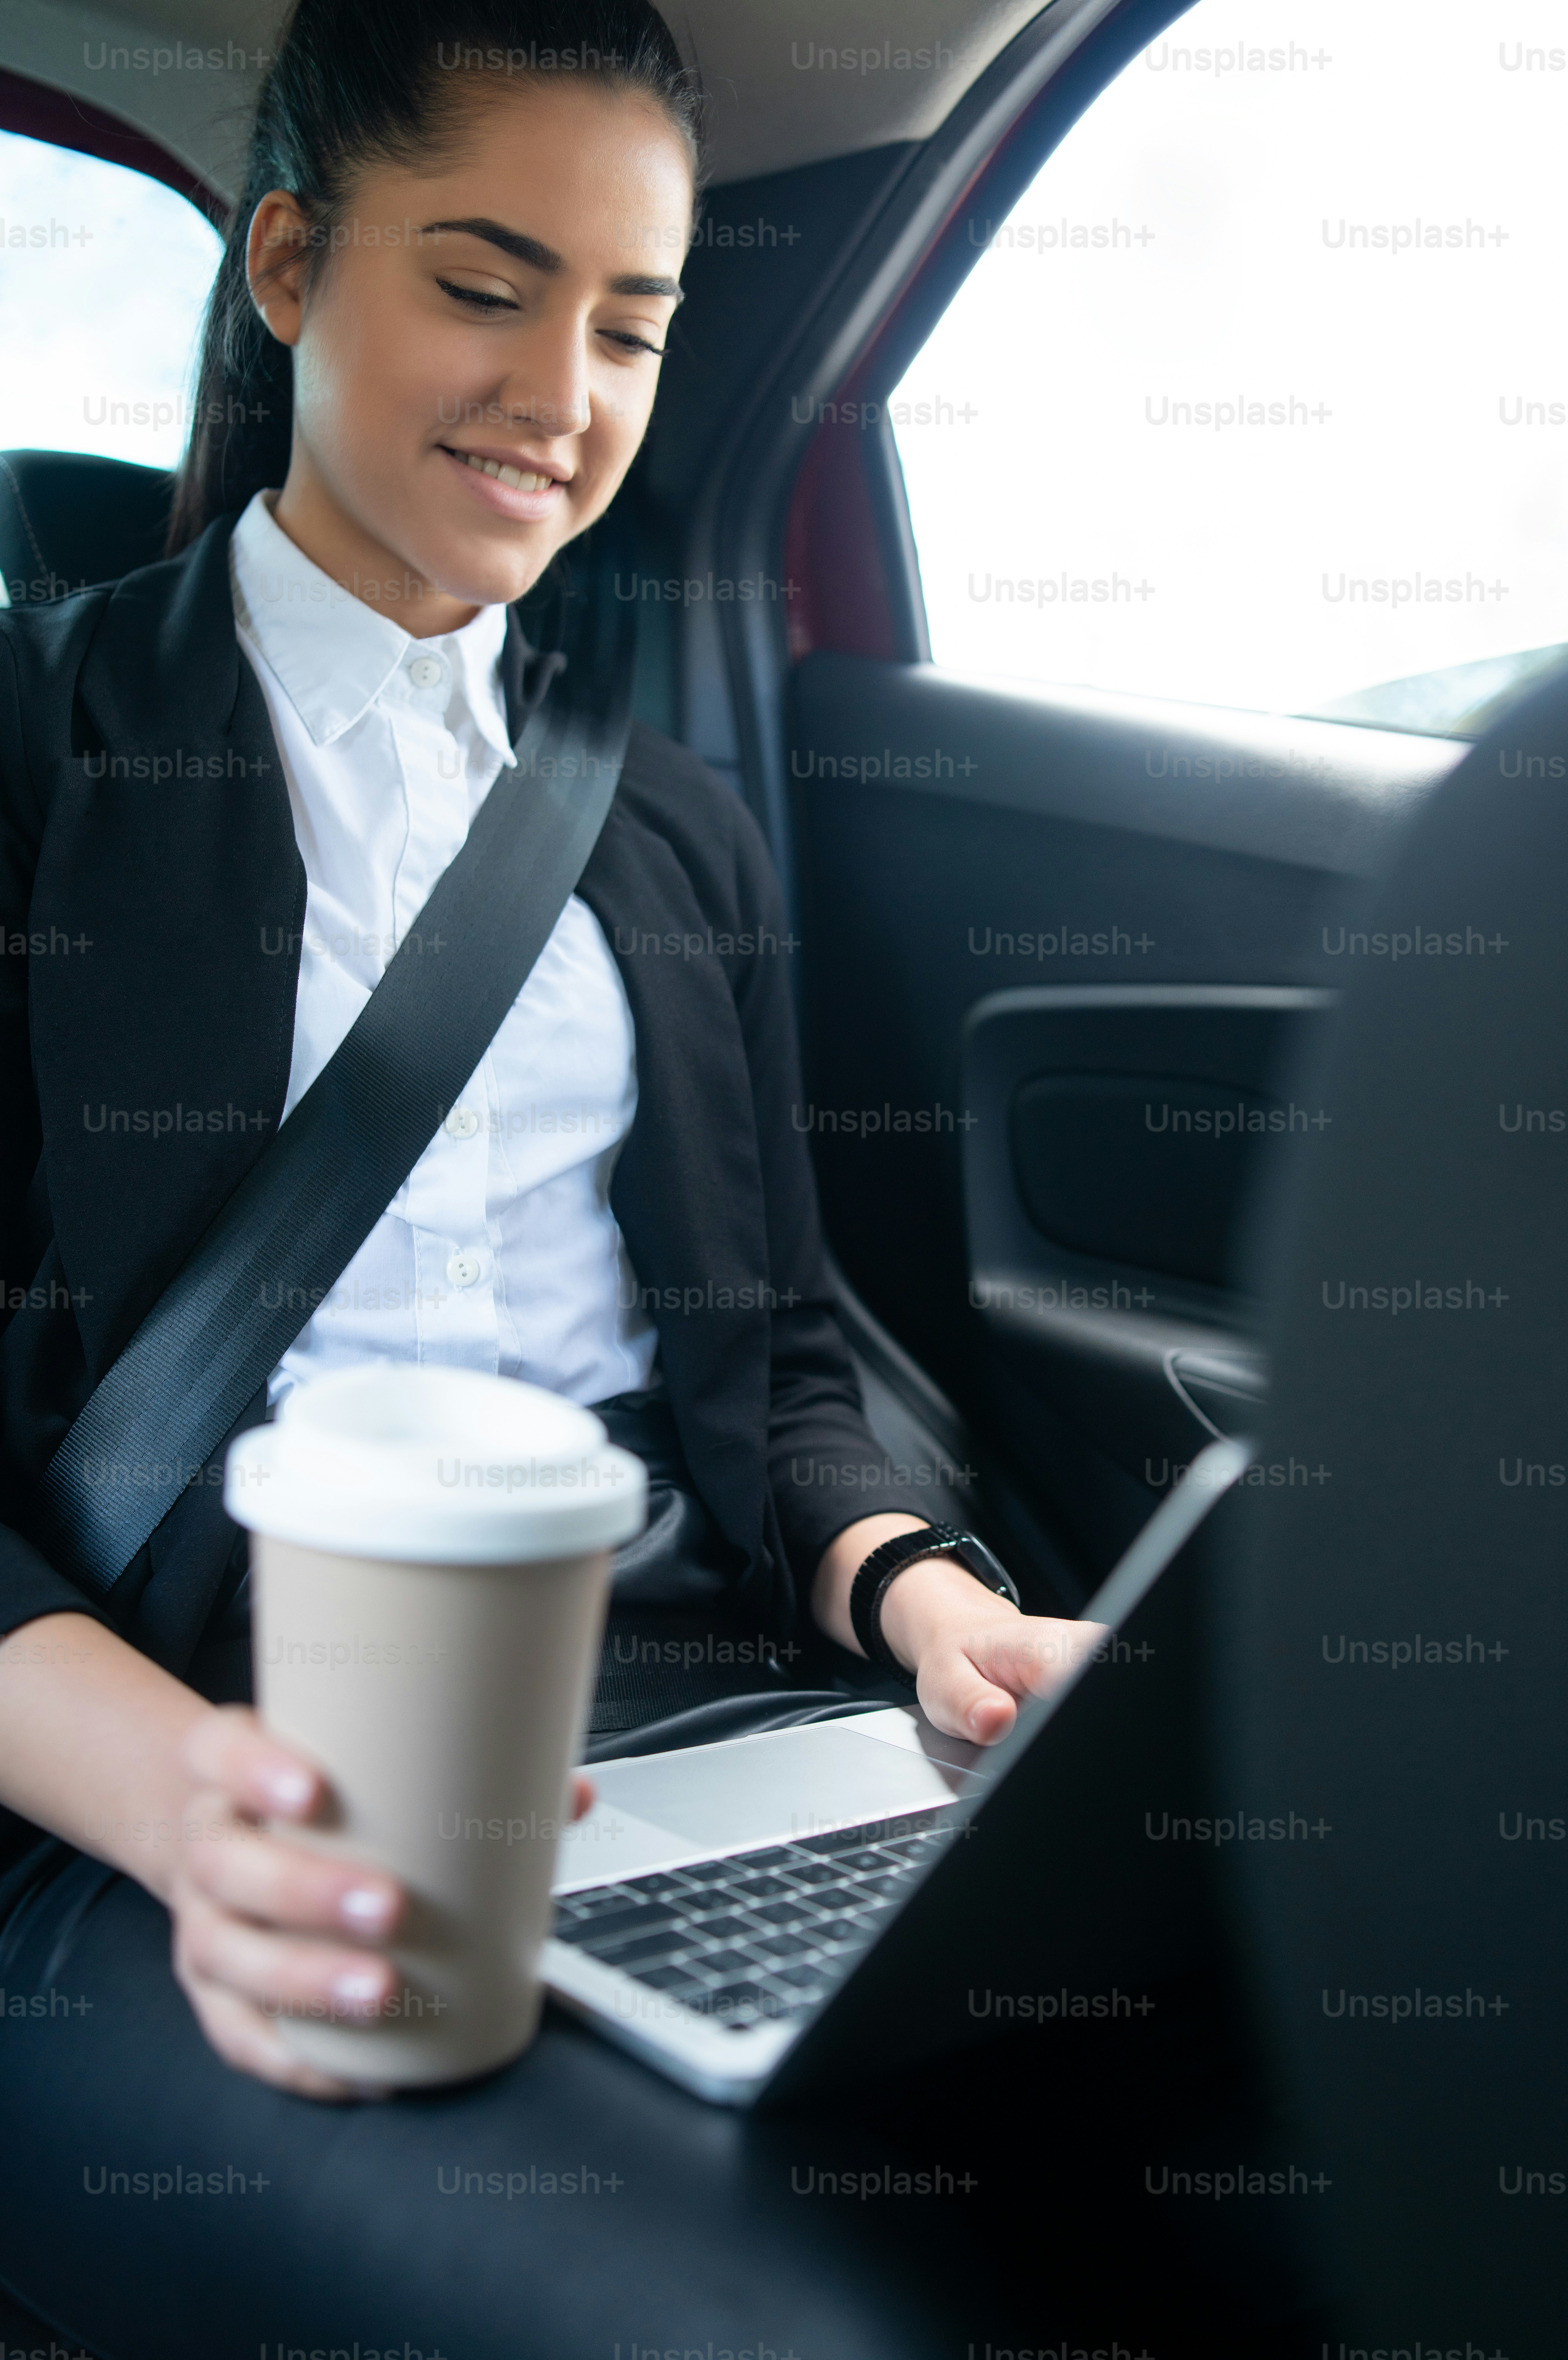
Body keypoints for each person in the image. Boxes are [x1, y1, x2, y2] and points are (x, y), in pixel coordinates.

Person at [0, 0, 1094, 2345]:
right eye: (487, 287)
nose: (565, 394)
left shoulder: (664, 821)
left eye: (630, 326)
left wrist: (924, 1597)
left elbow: (777, 1354)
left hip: (708, 1711)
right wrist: (191, 1794)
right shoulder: (30, 751)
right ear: (289, 263)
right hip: (194, 1751)